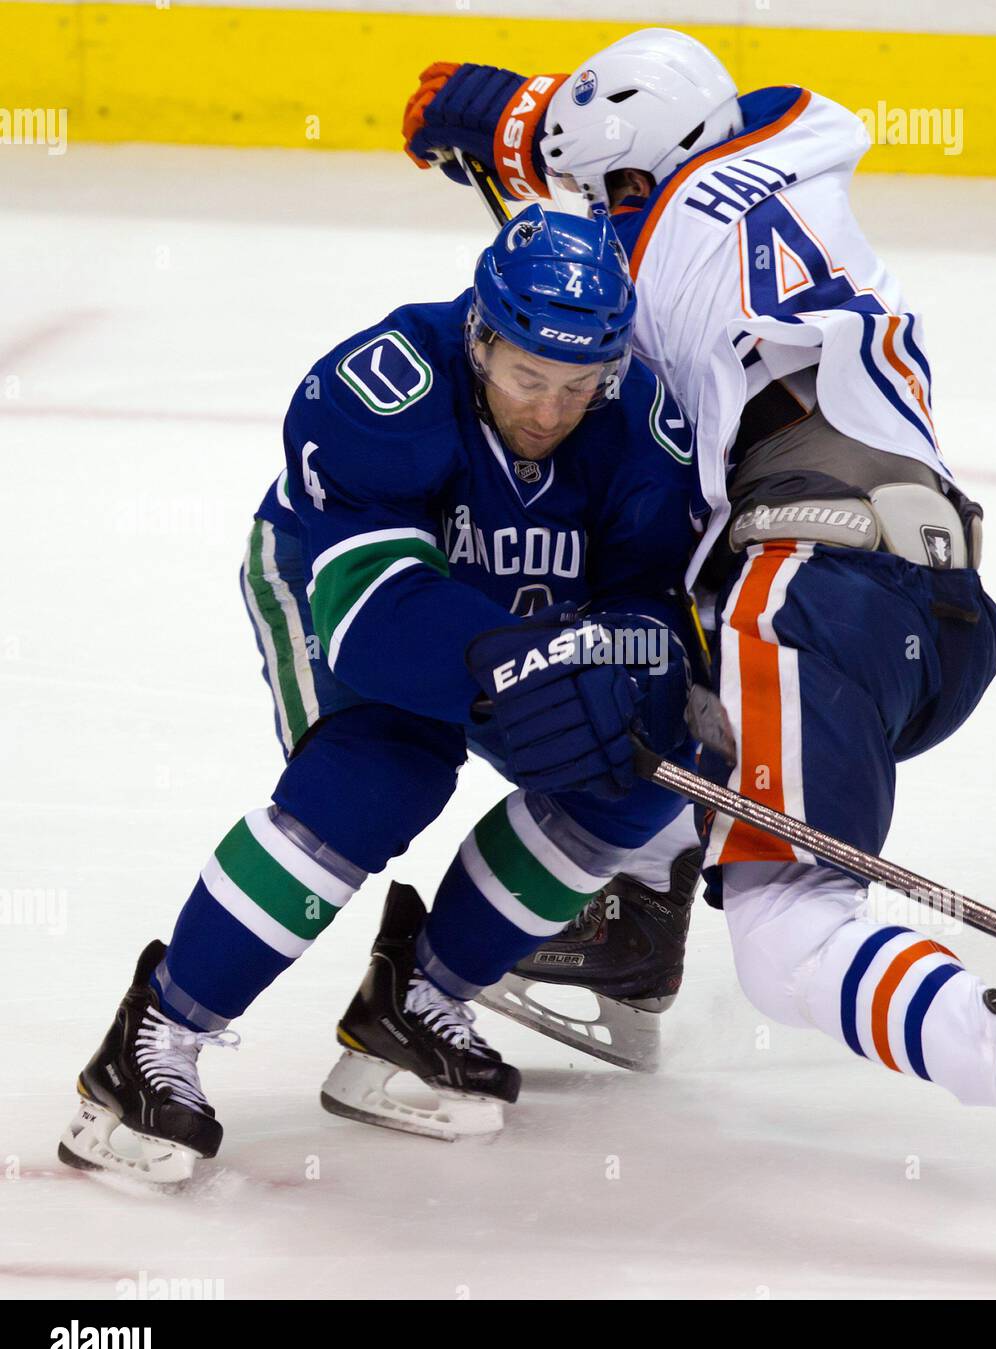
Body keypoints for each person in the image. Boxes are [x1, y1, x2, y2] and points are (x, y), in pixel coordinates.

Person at [397, 28, 996, 1265]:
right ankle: (634, 930)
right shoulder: (790, 145)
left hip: (805, 583)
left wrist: (464, 108)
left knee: (782, 931)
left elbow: (574, 201)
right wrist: (495, 117)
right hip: (926, 598)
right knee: (668, 680)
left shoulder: (633, 262)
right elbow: (593, 134)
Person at [58, 204, 700, 1180]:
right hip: (333, 586)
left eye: (577, 387)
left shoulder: (635, 421)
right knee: (383, 772)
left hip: (521, 615)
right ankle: (150, 1043)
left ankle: (417, 1000)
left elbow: (649, 600)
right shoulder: (382, 388)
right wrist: (521, 667)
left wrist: (621, 666)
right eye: (528, 378)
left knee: (635, 772)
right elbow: (372, 625)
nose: (549, 411)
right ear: (480, 336)